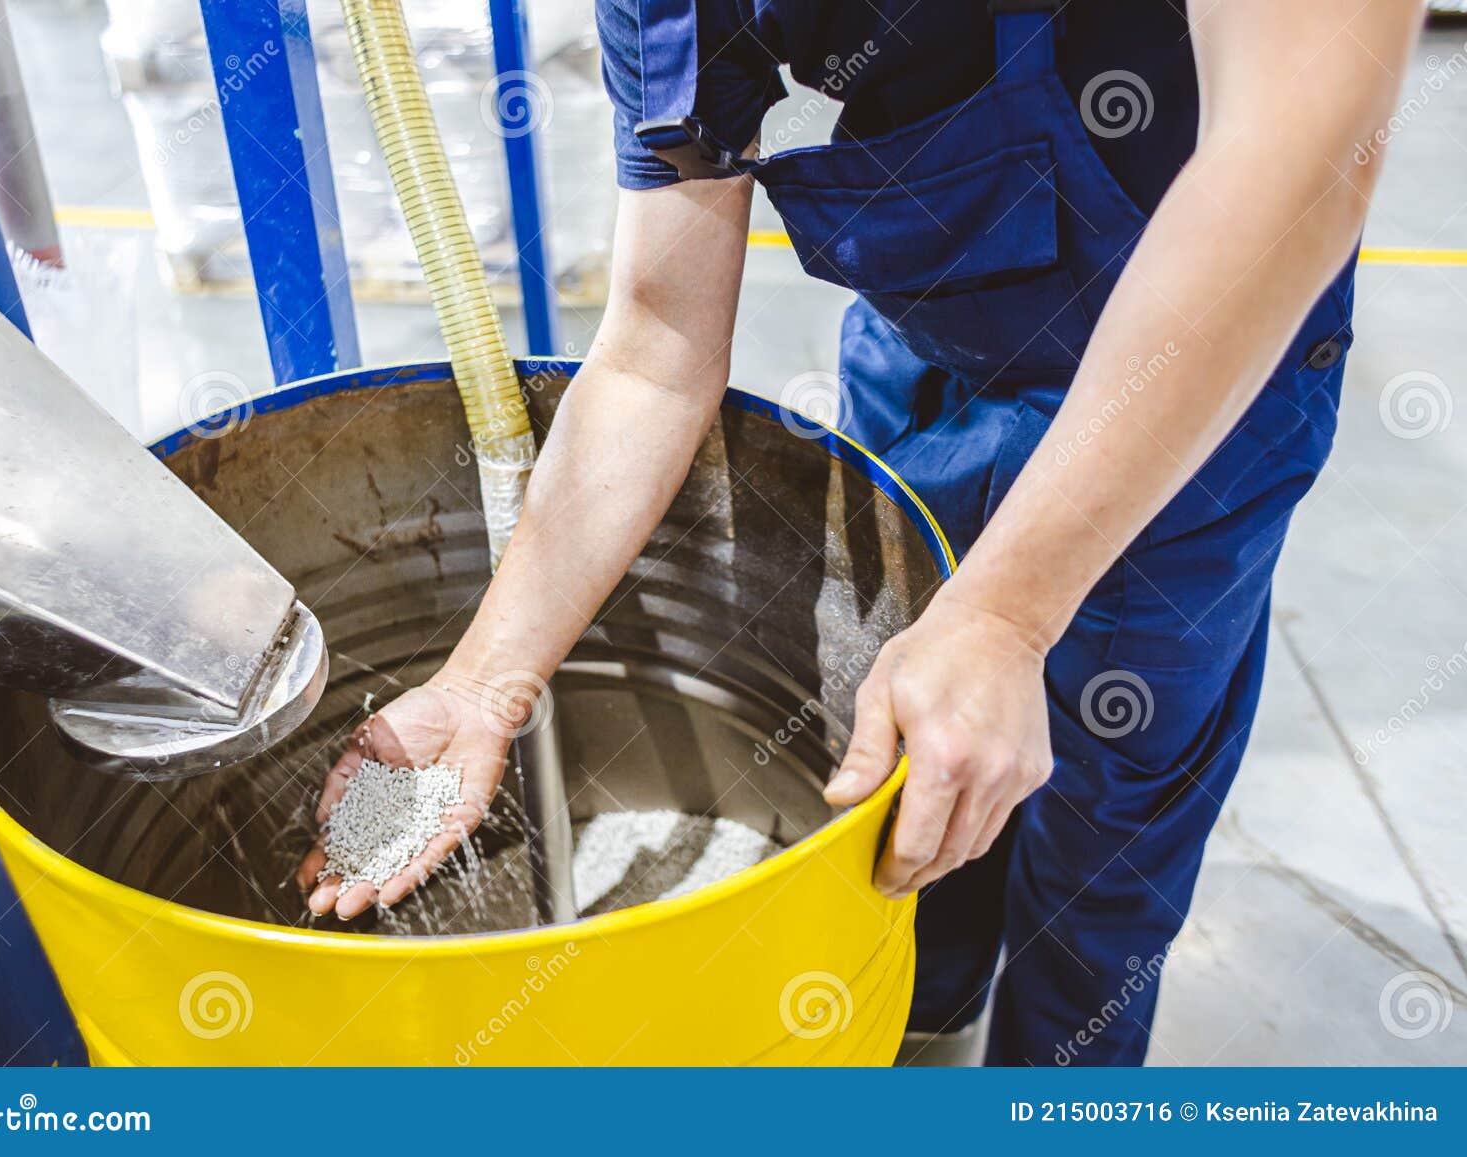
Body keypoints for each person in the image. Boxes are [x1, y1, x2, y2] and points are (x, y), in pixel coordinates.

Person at [298, 0, 1422, 1065]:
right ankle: (920, 1019)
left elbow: (1298, 157)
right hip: (943, 333)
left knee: (1102, 851)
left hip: (1195, 382)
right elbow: (656, 343)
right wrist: (486, 680)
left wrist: (1004, 613)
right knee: (912, 781)